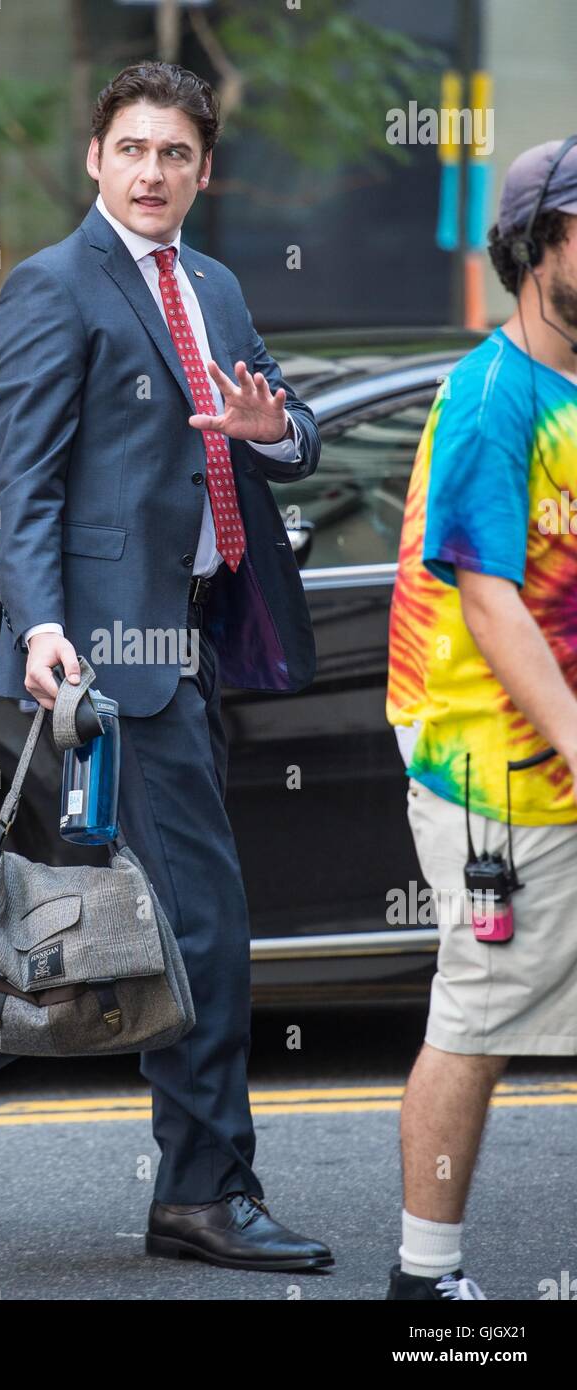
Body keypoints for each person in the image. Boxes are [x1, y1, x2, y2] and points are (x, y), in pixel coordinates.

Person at [0, 61, 332, 1274]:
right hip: (110, 653)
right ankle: (207, 1193)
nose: (154, 171)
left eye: (176, 153)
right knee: (204, 931)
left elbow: (287, 430)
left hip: (199, 642)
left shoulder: (214, 285)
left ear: (204, 171)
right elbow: (29, 486)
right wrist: (48, 629)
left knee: (140, 930)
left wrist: (279, 435)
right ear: (96, 161)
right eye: (133, 149)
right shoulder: (57, 288)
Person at [385, 137, 577, 1300]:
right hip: (497, 776)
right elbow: (495, 603)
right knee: (480, 1018)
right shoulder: (491, 396)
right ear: (538, 244)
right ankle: (426, 1282)